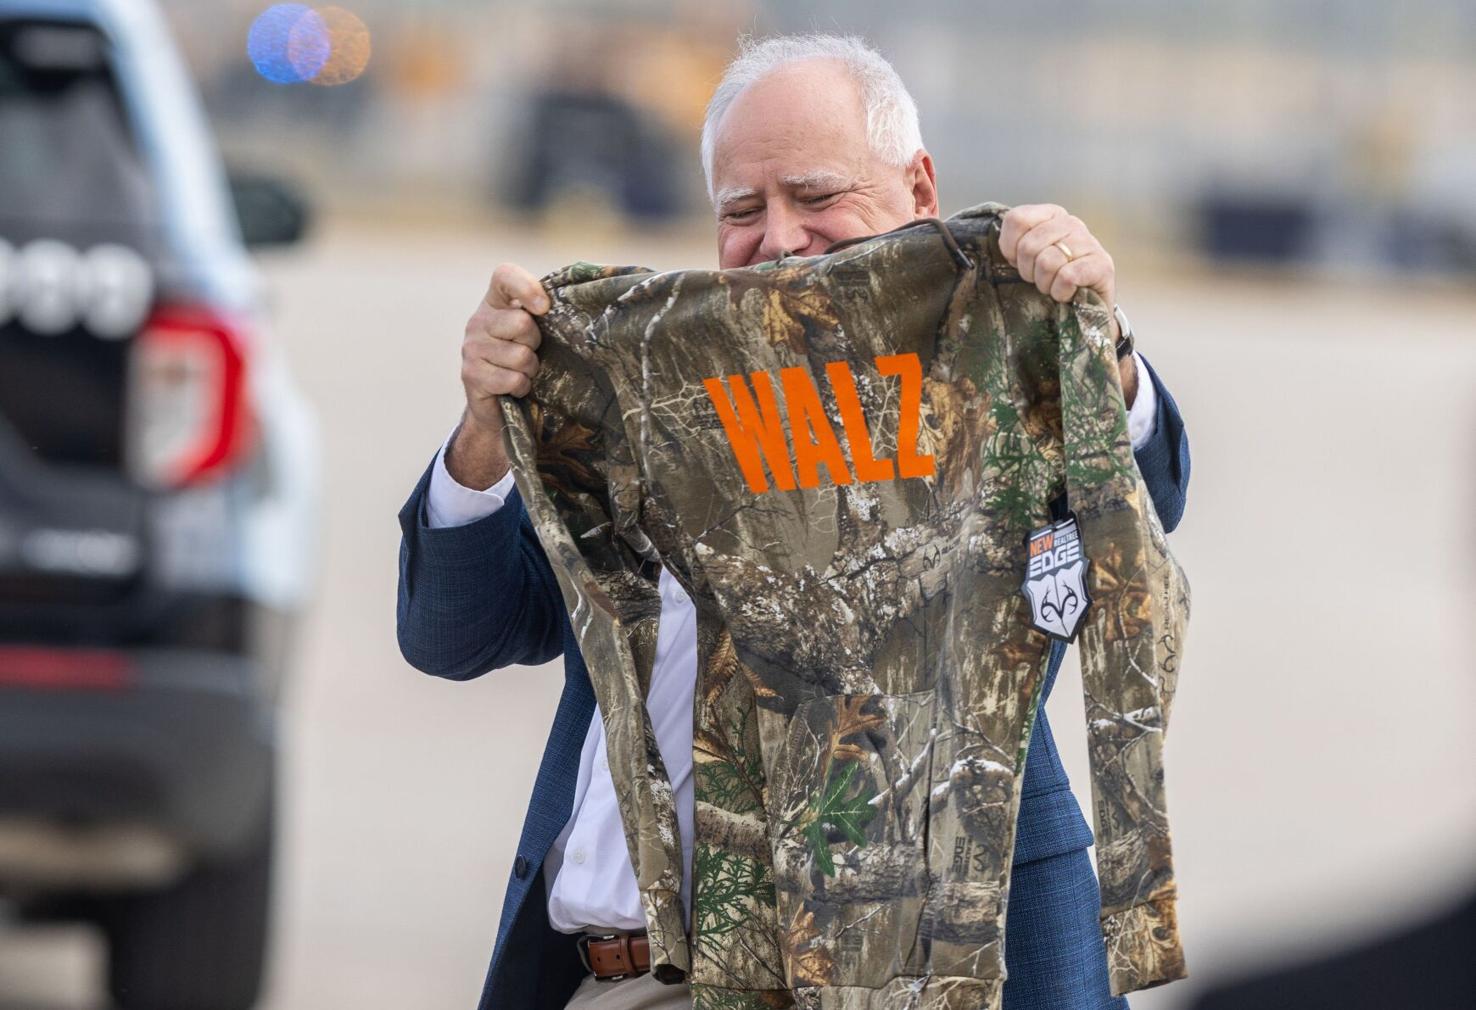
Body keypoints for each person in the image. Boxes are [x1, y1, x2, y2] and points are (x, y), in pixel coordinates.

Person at [397, 33, 1191, 1010]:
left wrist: (1093, 340)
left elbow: (1141, 501)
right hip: (634, 977)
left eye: (816, 198)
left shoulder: (983, 369)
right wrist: (486, 422)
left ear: (920, 186)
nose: (778, 240)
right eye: (742, 210)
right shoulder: (649, 395)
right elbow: (454, 634)